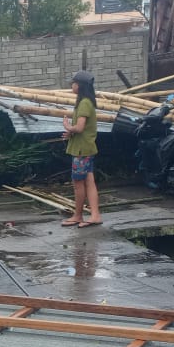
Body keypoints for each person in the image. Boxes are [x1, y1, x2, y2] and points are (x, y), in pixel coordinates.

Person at [60, 70, 101, 228]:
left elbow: (80, 127)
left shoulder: (84, 103)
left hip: (81, 151)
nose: (72, 85)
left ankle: (78, 215)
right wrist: (70, 133)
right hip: (85, 148)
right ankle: (95, 215)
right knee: (89, 182)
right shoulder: (86, 101)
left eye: (74, 83)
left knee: (78, 183)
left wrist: (68, 127)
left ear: (80, 86)